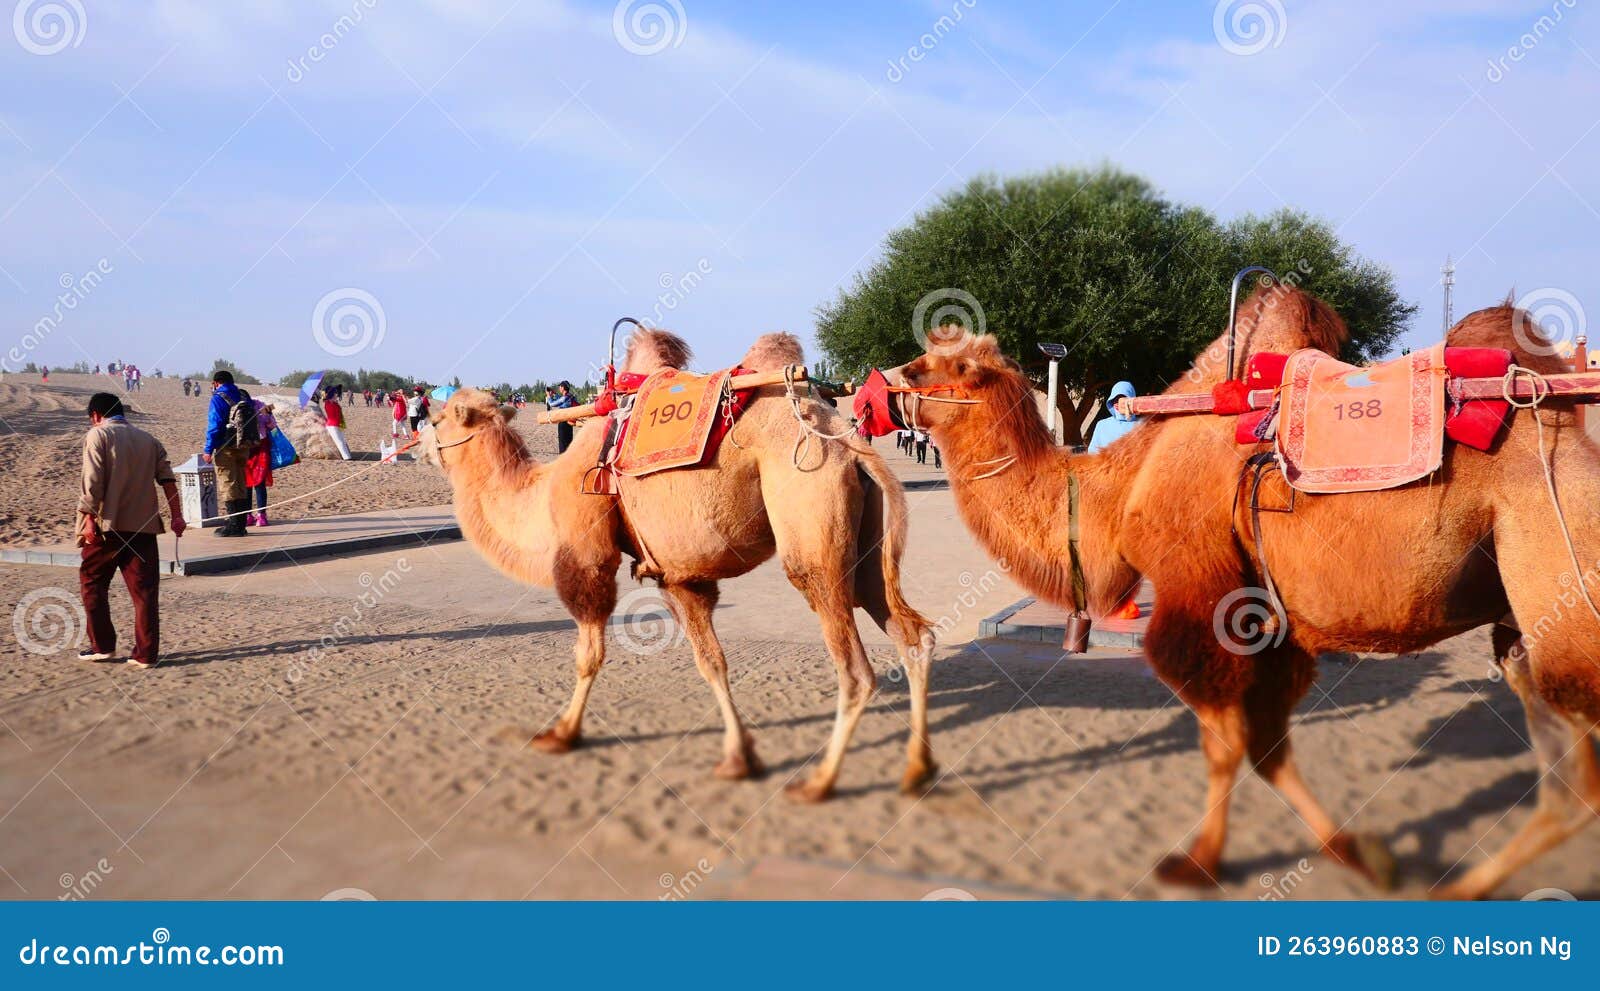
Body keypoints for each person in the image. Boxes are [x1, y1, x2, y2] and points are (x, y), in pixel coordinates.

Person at [77, 392, 185, 668]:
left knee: (92, 584)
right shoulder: (149, 440)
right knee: (145, 592)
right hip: (143, 528)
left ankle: (102, 646)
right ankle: (145, 654)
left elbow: (93, 481)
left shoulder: (97, 435)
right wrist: (177, 517)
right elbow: (168, 481)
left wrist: (88, 519)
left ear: (96, 416)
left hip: (107, 527)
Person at [203, 370, 253, 537]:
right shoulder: (243, 395)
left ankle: (233, 525)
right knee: (241, 483)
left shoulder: (218, 397)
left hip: (226, 447)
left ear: (217, 382)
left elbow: (215, 424)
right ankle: (241, 525)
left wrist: (208, 449)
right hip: (244, 445)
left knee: (228, 483)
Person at [245, 399, 277, 526]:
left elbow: (272, 425)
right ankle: (256, 516)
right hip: (251, 448)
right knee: (253, 483)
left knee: (255, 482)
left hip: (255, 448)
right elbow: (273, 426)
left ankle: (256, 515)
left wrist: (267, 415)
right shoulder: (257, 406)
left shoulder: (259, 406)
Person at [1088, 381, 1141, 453]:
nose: (1117, 403)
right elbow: (1092, 453)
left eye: (1122, 399)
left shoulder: (1143, 425)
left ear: (1131, 400)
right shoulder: (1102, 425)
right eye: (1115, 399)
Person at [548, 380, 578, 453]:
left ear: (563, 387)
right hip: (570, 422)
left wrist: (549, 396)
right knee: (568, 443)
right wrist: (555, 395)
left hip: (563, 422)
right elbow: (561, 400)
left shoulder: (564, 398)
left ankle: (562, 459)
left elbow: (552, 404)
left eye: (560, 387)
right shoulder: (571, 396)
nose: (559, 388)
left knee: (562, 443)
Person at [323, 386, 352, 460]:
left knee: (342, 440)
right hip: (332, 425)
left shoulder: (334, 403)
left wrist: (335, 402)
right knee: (339, 442)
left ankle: (348, 456)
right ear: (331, 394)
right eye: (335, 393)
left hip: (337, 424)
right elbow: (331, 411)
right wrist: (333, 402)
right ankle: (346, 457)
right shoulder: (328, 403)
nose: (336, 394)